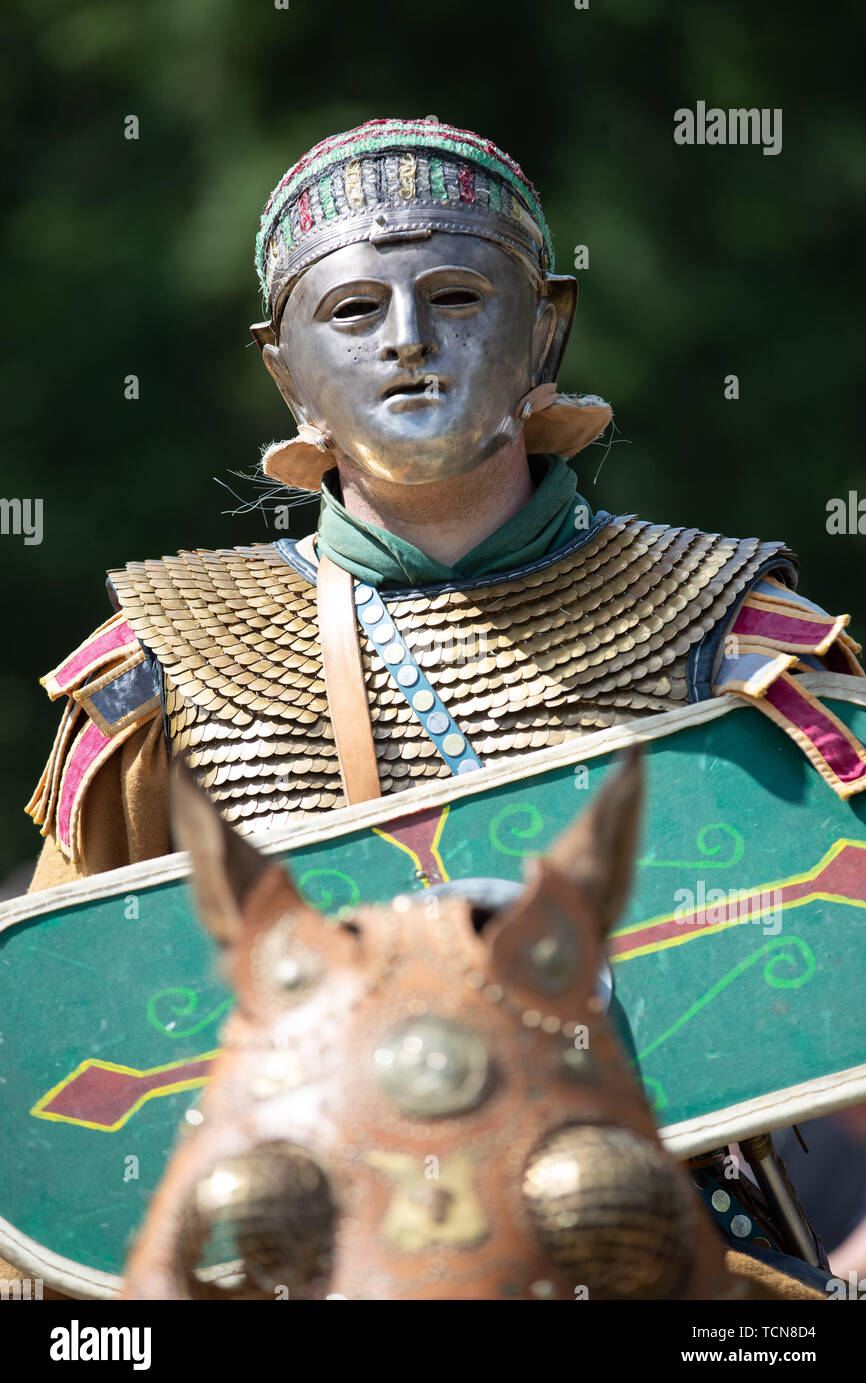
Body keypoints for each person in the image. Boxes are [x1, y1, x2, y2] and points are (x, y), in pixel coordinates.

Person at [22, 116, 866, 1295]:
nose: (408, 341)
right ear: (284, 367)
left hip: (660, 1257)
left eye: (459, 296)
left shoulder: (737, 633)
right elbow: (55, 1059)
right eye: (353, 310)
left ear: (546, 330)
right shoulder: (159, 665)